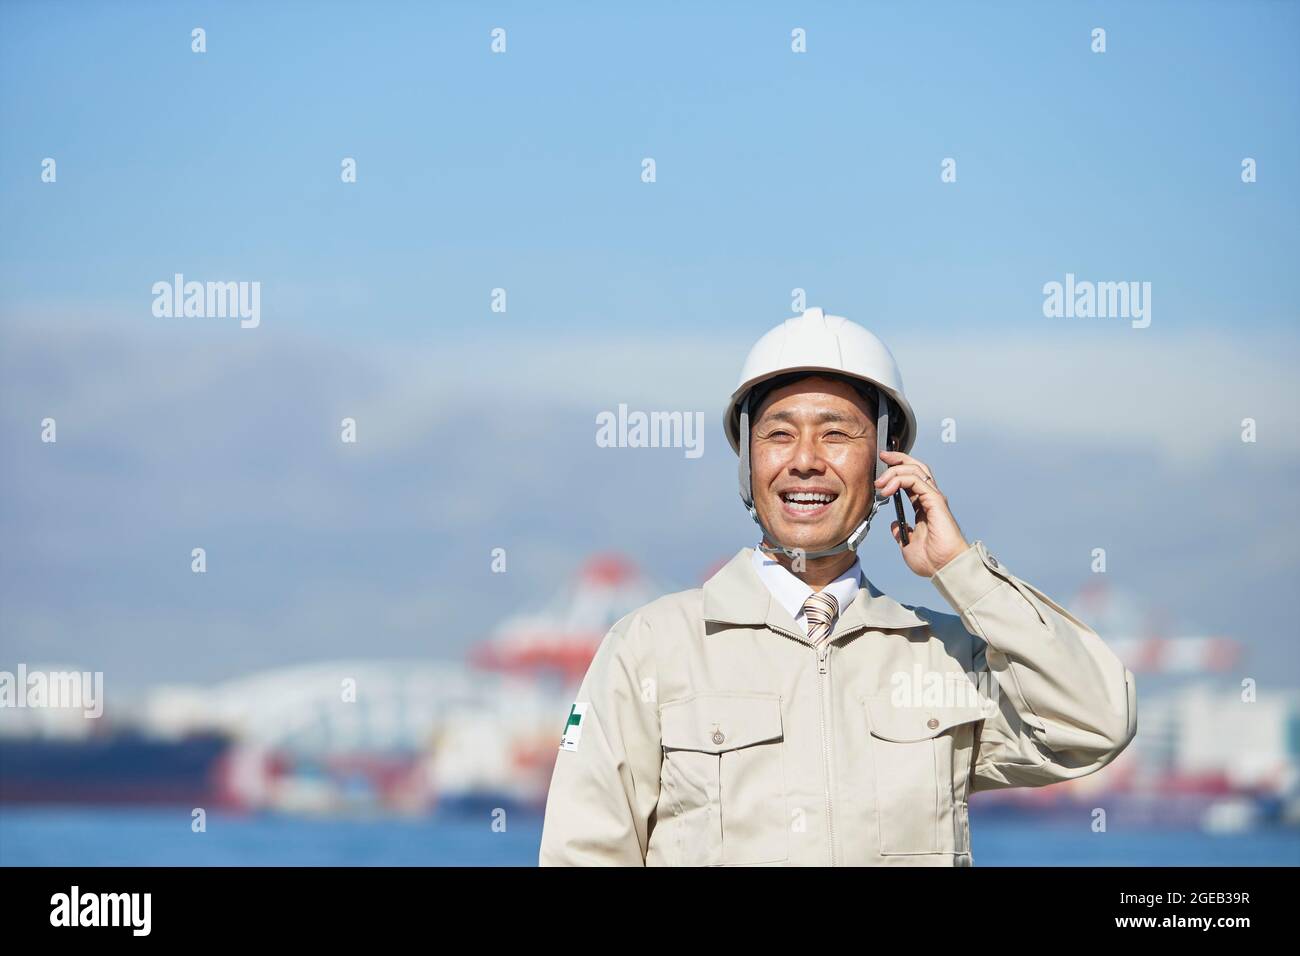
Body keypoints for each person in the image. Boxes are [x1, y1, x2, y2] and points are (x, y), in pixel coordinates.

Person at [538, 307, 1137, 866]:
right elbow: (583, 851)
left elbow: (1097, 721)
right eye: (778, 434)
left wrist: (962, 571)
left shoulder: (945, 659)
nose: (804, 461)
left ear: (886, 461)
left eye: (836, 434)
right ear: (747, 463)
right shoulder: (650, 649)